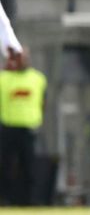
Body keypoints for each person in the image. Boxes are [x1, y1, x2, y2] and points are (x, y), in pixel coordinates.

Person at [0, 50, 46, 205]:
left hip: (28, 128)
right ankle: (5, 199)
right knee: (5, 165)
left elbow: (43, 102)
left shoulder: (38, 79)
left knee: (29, 167)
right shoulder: (4, 78)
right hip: (8, 127)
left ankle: (29, 200)